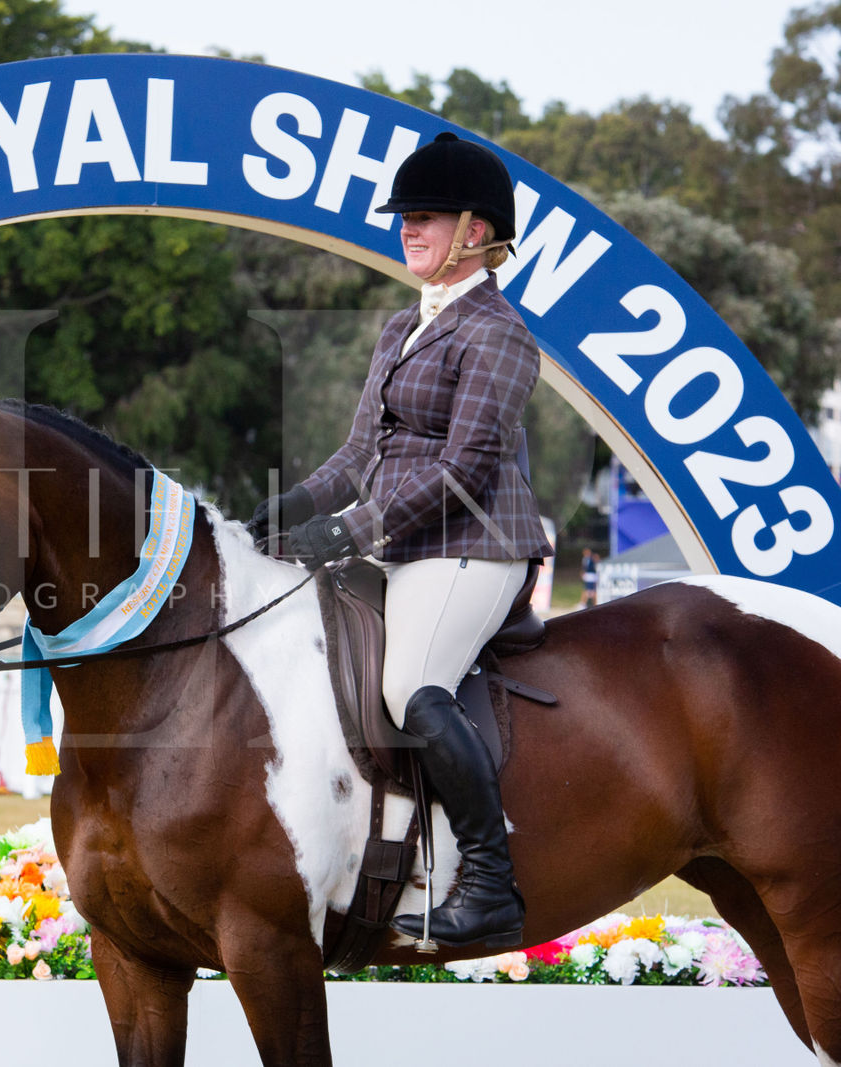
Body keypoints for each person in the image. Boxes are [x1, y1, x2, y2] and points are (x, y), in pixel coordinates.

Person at [247, 132, 553, 950]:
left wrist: (347, 530)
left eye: (424, 217)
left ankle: (490, 881)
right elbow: (359, 455)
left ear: (477, 231)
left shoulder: (498, 331)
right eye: (405, 218)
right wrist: (284, 510)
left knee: (412, 687)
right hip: (398, 539)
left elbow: (464, 467)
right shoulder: (401, 326)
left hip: (474, 542)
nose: (407, 230)